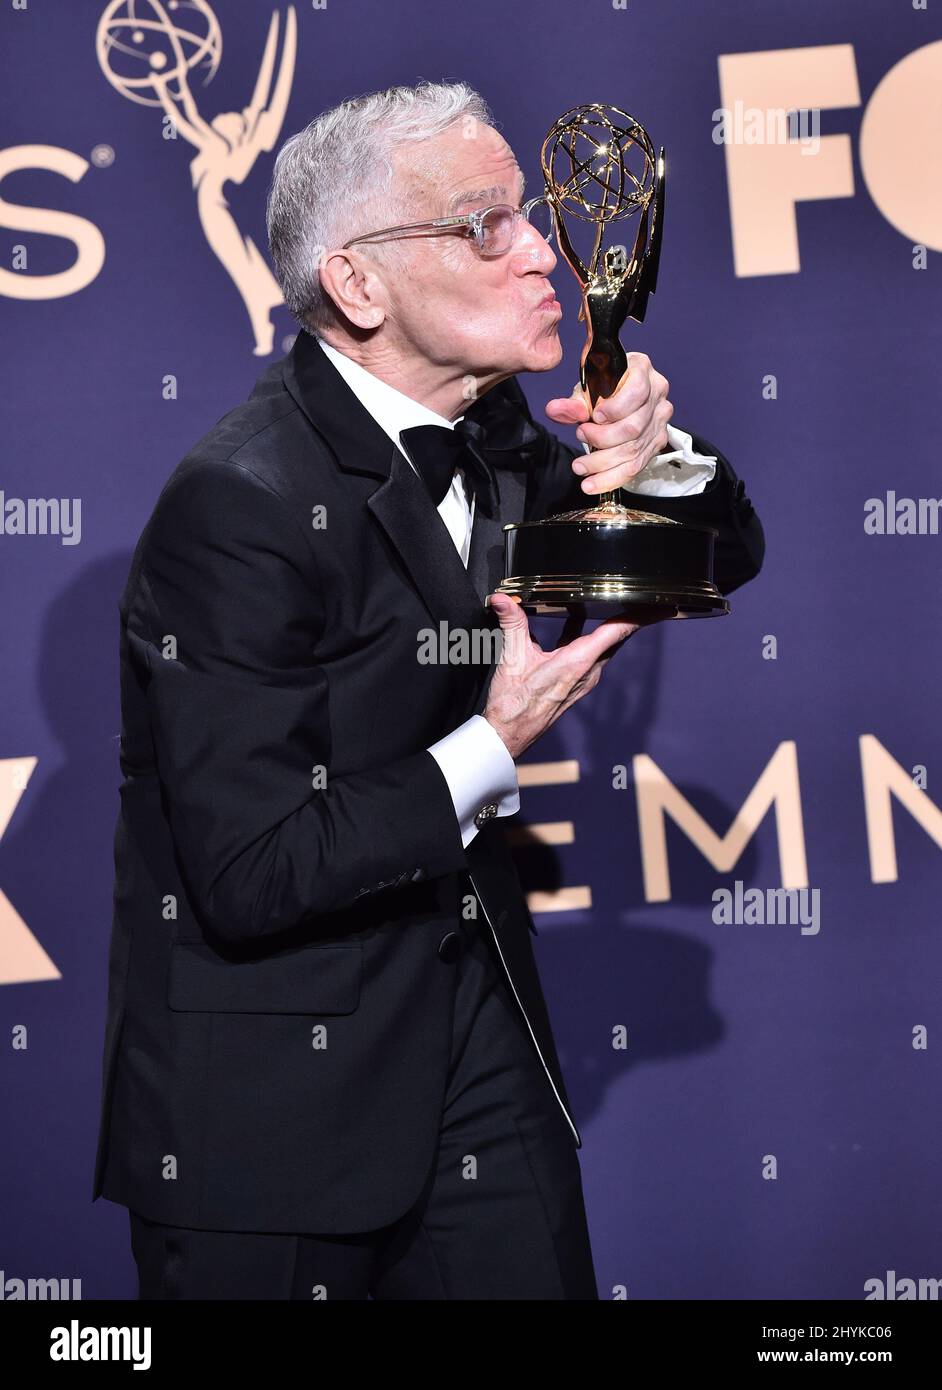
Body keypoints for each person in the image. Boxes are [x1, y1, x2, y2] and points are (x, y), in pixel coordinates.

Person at [92, 81, 764, 1300]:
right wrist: (491, 745)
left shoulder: (498, 430)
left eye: (529, 214)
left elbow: (725, 553)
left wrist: (653, 454)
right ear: (358, 286)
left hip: (481, 1061)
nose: (540, 253)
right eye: (482, 225)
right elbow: (248, 874)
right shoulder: (238, 504)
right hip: (268, 1133)